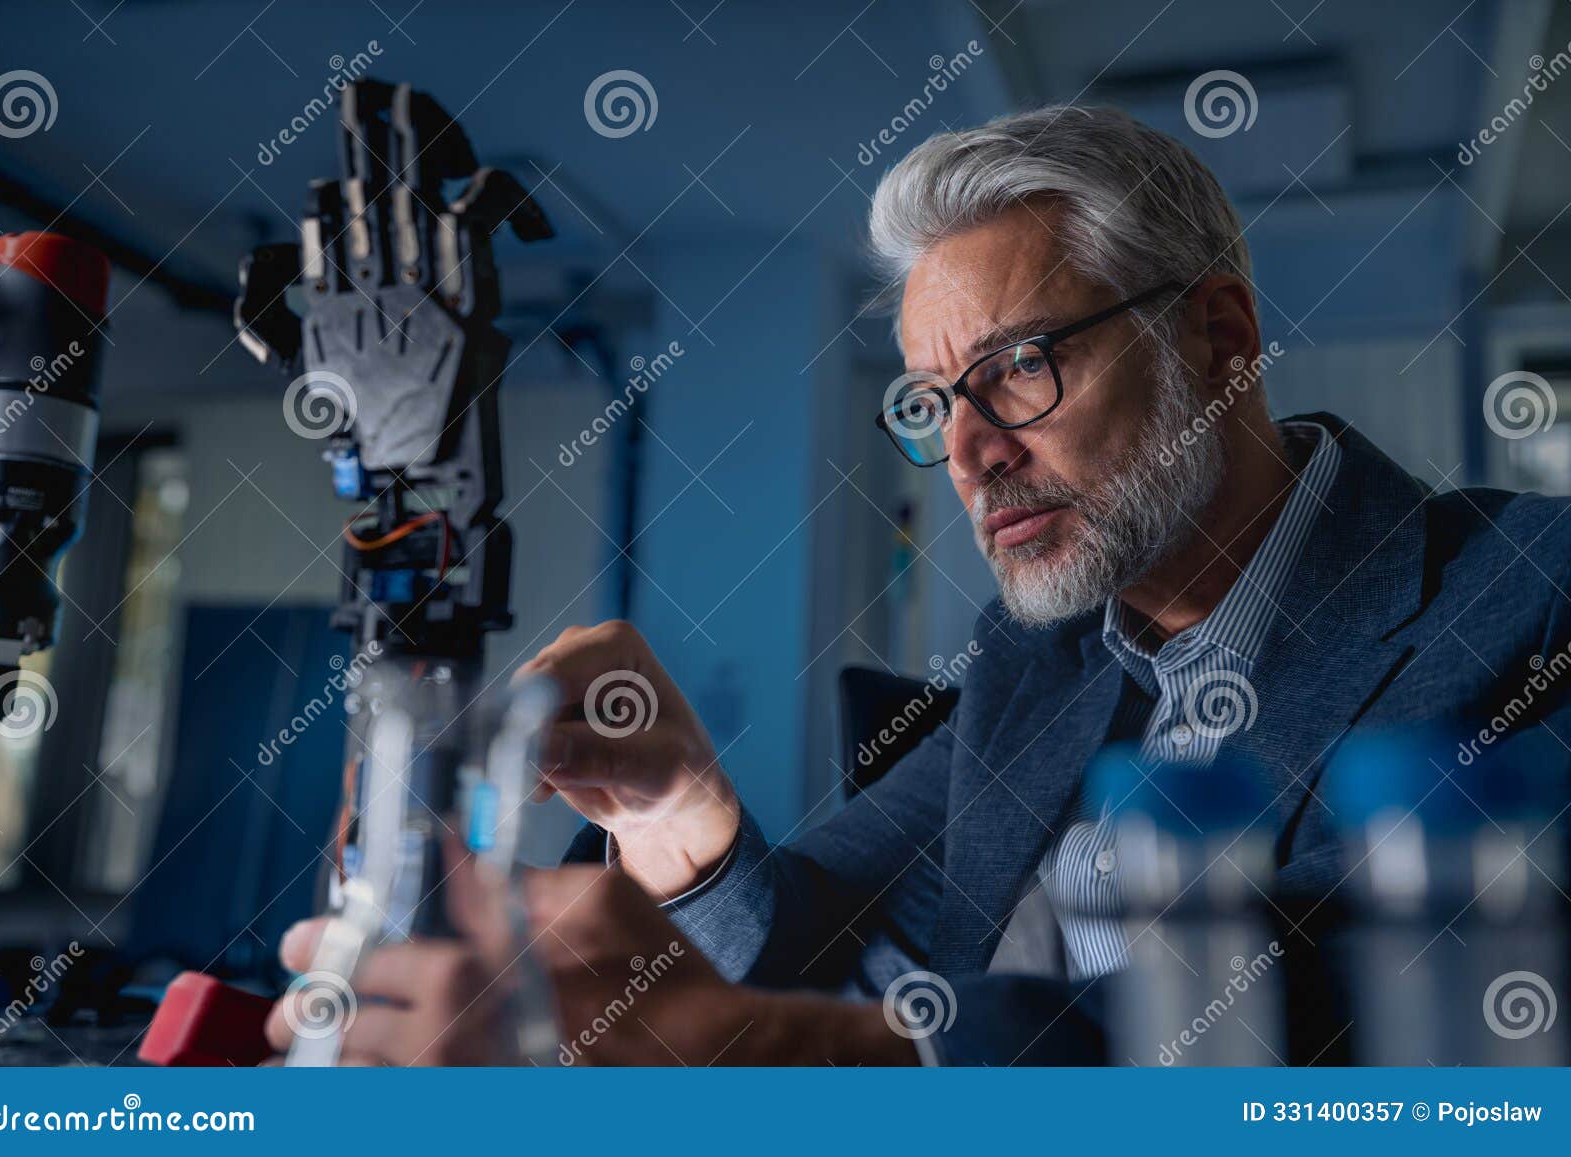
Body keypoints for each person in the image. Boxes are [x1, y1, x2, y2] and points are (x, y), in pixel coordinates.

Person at [267, 105, 1571, 1066]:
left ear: (1220, 343)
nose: (966, 449)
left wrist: (796, 1054)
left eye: (1017, 366)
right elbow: (806, 934)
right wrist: (678, 813)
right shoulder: (1039, 661)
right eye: (931, 400)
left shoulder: (1532, 596)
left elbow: (1364, 1004)